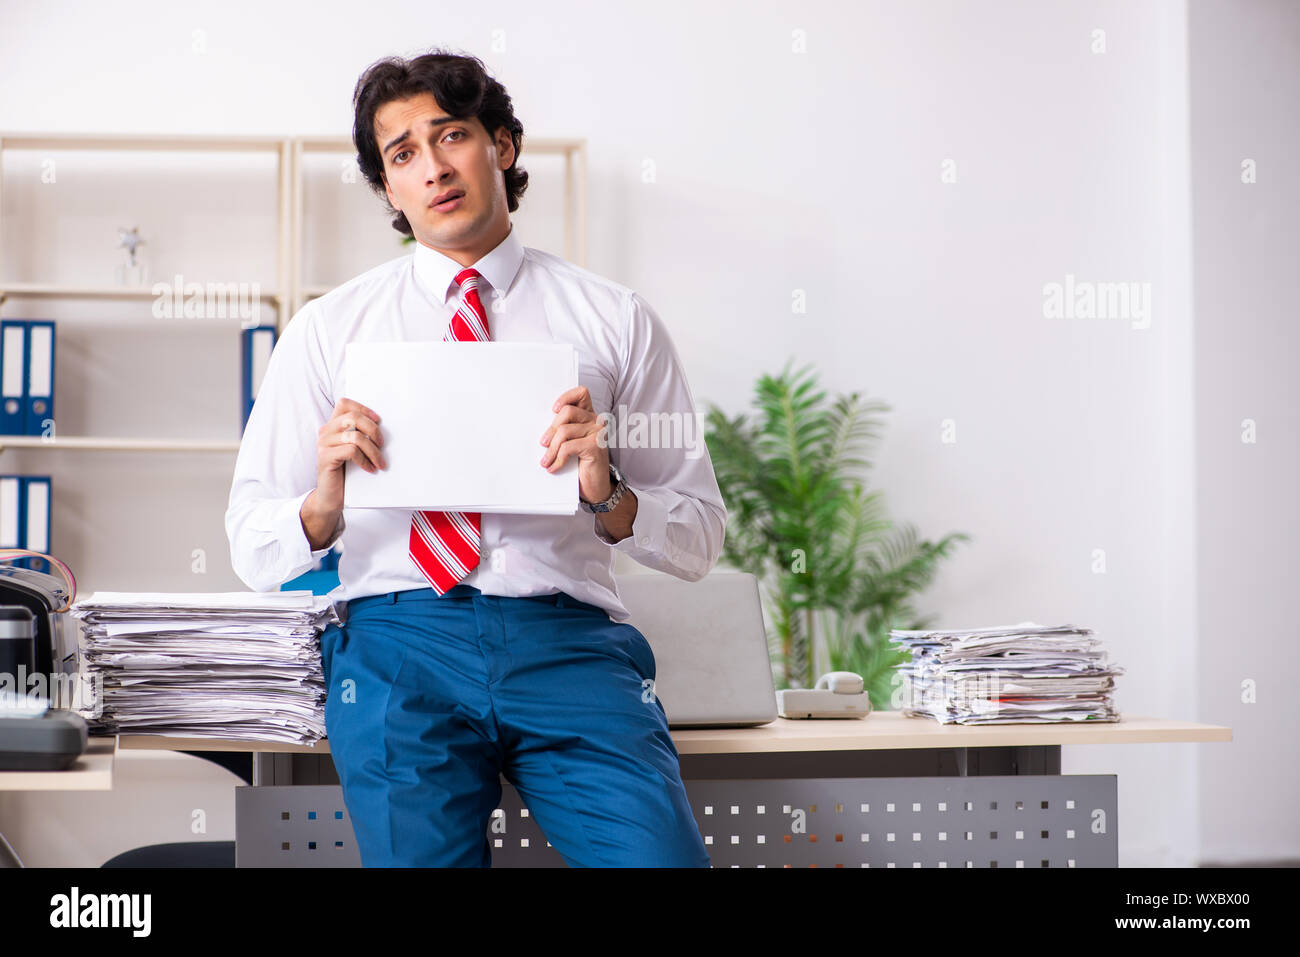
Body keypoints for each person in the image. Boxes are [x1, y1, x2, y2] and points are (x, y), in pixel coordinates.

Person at [224, 48, 726, 867]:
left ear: (502, 145)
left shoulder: (614, 320)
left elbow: (700, 535)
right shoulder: (329, 330)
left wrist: (607, 492)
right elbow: (250, 541)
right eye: (403, 154)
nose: (433, 168)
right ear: (389, 187)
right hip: (395, 646)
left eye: (451, 135)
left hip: (569, 643)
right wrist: (320, 506)